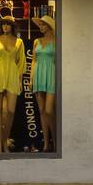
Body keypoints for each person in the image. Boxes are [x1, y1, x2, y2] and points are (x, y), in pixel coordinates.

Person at [0, 14, 26, 152]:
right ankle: (0, 146)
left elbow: (21, 63)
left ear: (12, 26)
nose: (5, 26)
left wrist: (20, 80)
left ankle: (4, 140)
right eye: (3, 24)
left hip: (13, 75)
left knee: (10, 111)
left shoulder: (19, 42)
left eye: (8, 24)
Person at [31, 14, 58, 152]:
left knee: (49, 110)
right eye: (40, 25)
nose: (41, 27)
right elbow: (34, 61)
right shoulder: (36, 41)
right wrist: (31, 78)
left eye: (43, 24)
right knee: (42, 111)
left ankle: (56, 141)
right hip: (38, 75)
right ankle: (47, 144)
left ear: (49, 27)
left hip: (51, 75)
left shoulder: (57, 41)